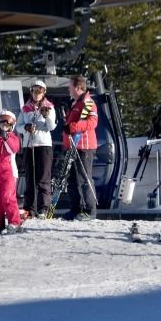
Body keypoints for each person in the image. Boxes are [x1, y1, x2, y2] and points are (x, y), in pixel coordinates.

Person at [16, 79, 57, 219]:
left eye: (39, 91)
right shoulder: (25, 108)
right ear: (31, 92)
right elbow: (18, 127)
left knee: (43, 178)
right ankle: (29, 209)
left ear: (44, 92)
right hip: (29, 146)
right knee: (30, 179)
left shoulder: (49, 107)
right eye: (34, 91)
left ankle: (43, 209)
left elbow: (52, 127)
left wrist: (46, 117)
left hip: (44, 145)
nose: (37, 94)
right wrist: (26, 128)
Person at [61, 75, 99, 221]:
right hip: (72, 145)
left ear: (78, 87)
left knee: (84, 178)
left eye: (70, 86)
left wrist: (73, 127)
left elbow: (92, 122)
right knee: (71, 179)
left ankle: (90, 210)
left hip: (84, 146)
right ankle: (75, 208)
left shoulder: (88, 102)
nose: (68, 89)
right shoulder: (75, 103)